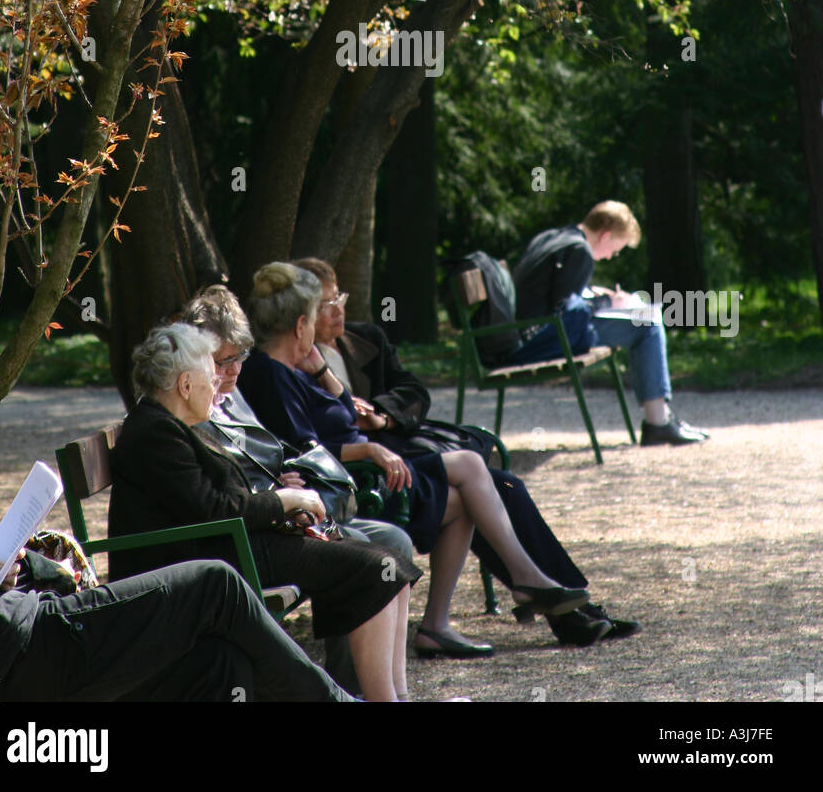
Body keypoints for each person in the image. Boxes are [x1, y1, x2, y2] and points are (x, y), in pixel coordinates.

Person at [239, 262, 590, 660]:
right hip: (354, 486)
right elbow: (304, 453)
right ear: (302, 323)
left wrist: (321, 369)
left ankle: (441, 624)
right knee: (473, 472)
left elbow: (350, 410)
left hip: (370, 474)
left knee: (469, 499)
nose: (334, 312)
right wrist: (369, 449)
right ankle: (523, 580)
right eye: (323, 308)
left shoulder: (297, 367)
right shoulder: (270, 374)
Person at [107, 322, 419, 702]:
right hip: (212, 564)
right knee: (377, 570)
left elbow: (219, 503)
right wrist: (288, 501)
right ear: (185, 385)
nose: (219, 382)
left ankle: (399, 698)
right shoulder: (157, 434)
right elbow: (216, 510)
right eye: (211, 374)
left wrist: (282, 512)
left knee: (390, 565)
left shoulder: (175, 425)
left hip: (230, 548)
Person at [177, 283, 417, 690]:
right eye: (225, 360)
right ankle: (356, 691)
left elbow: (254, 457)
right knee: (372, 561)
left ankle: (380, 692)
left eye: (240, 357)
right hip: (251, 537)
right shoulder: (198, 402)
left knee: (389, 548)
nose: (234, 370)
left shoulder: (227, 393)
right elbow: (218, 494)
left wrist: (280, 482)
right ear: (199, 360)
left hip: (273, 515)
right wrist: (276, 495)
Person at [0, 500, 354, 702]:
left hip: (20, 628)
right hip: (9, 655)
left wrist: (20, 567)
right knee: (214, 584)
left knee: (217, 661)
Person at [513, 201, 709, 445]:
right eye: (615, 249)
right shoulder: (580, 251)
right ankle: (658, 422)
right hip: (542, 339)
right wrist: (609, 303)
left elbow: (557, 294)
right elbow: (565, 311)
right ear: (605, 235)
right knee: (647, 325)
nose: (611, 256)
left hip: (524, 334)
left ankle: (662, 418)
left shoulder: (556, 237)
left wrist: (595, 294)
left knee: (643, 323)